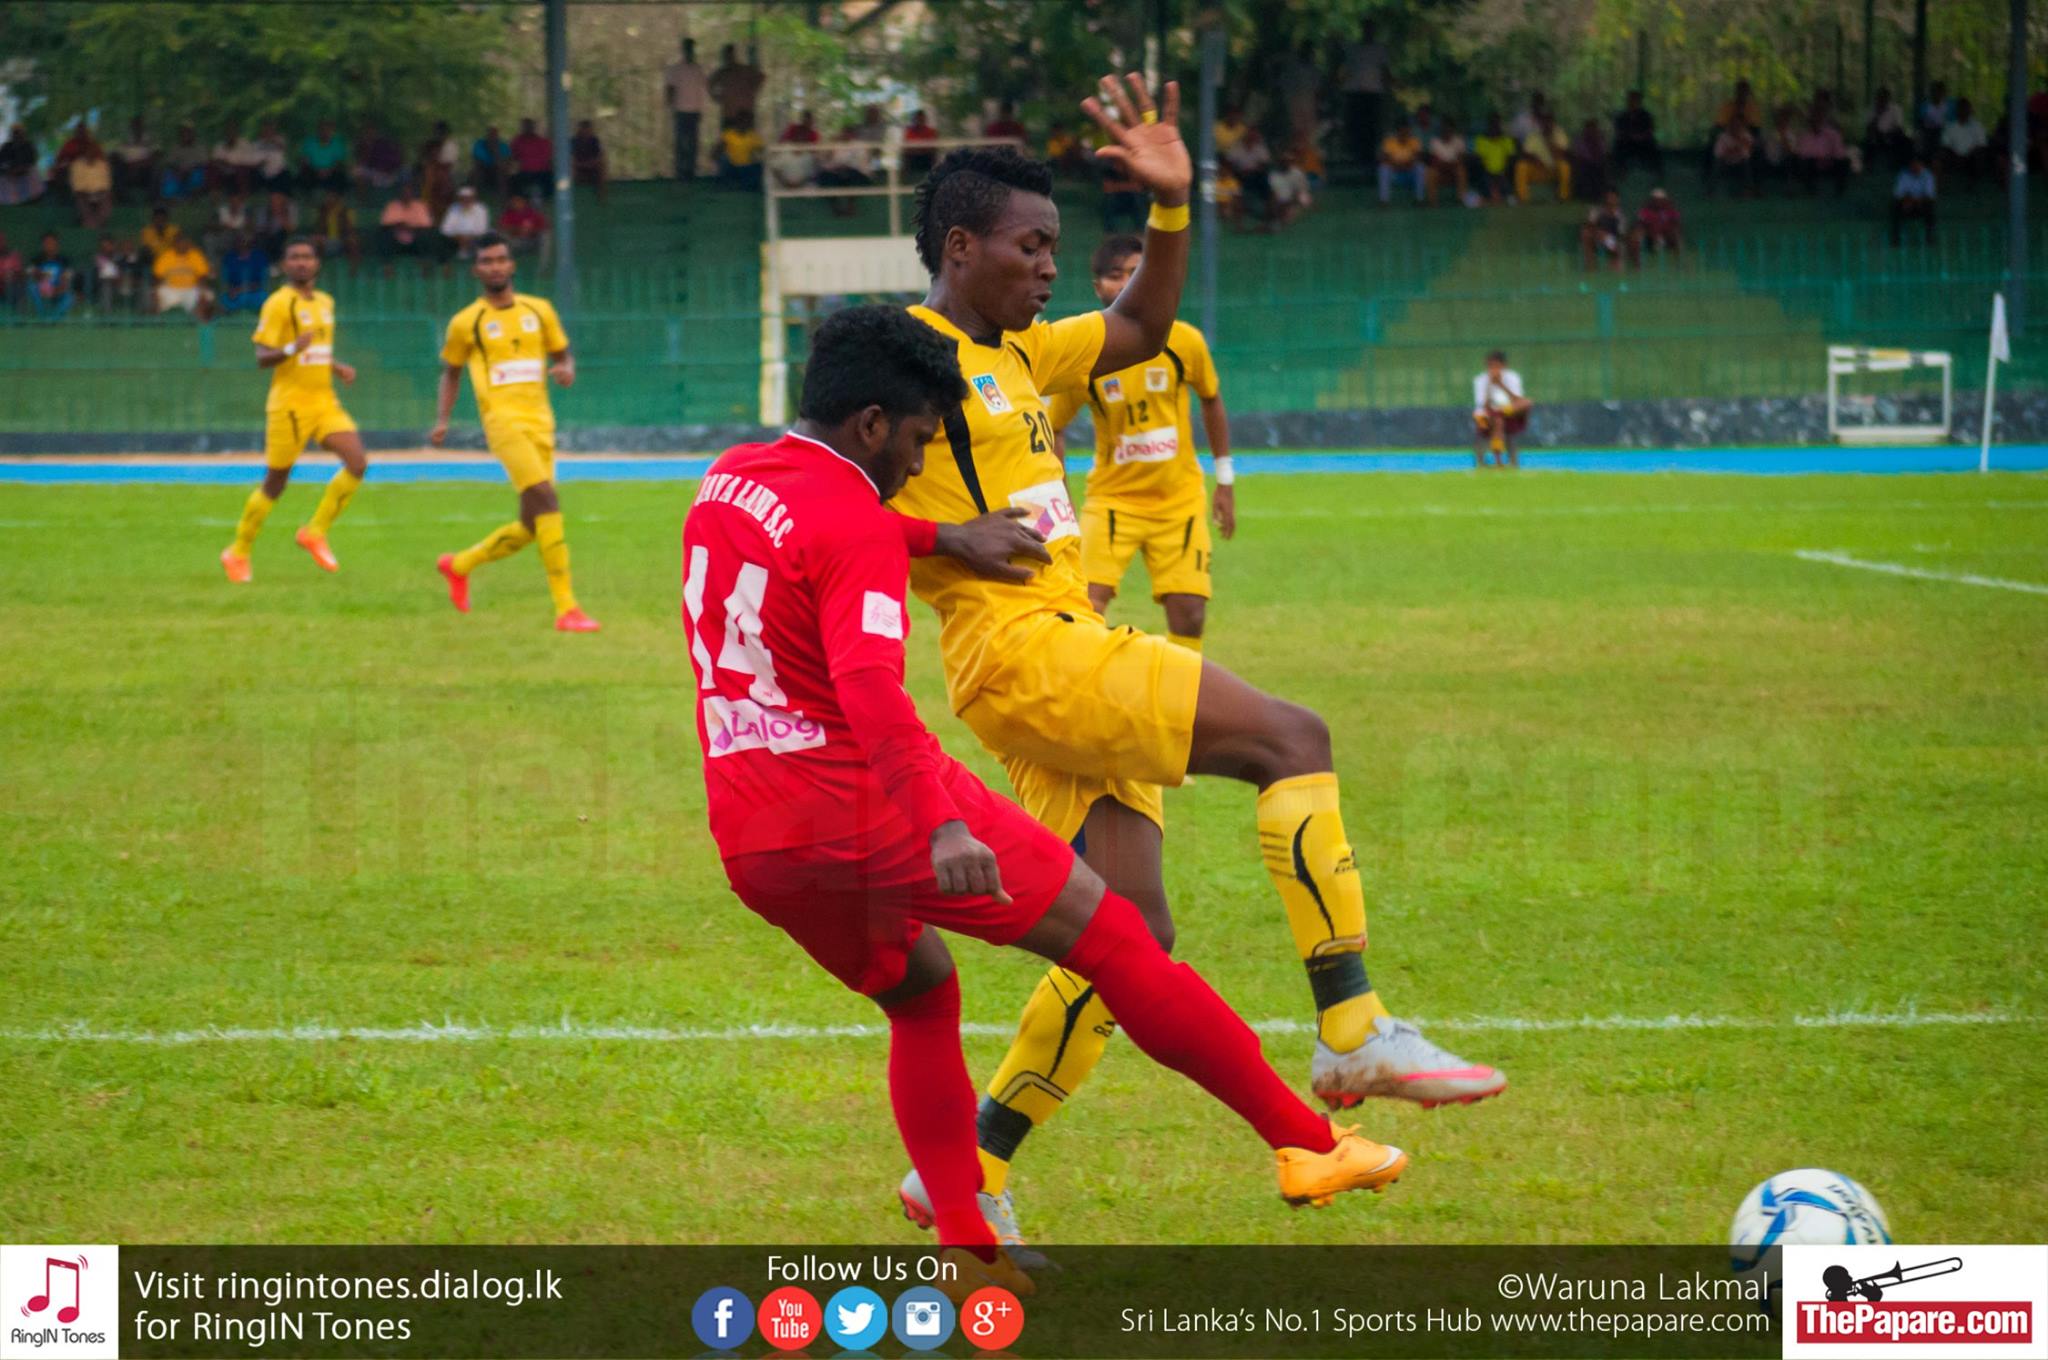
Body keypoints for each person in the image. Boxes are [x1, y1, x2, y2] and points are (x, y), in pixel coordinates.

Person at [886, 79, 1502, 1249]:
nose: (1049, 267)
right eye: (1029, 246)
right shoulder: (900, 359)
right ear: (958, 246)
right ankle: (1351, 1027)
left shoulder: (1019, 350)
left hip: (1050, 651)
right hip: (1025, 653)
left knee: (1130, 933)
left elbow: (1140, 331)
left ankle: (965, 1163)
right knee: (1292, 736)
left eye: (1056, 247)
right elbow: (816, 498)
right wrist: (940, 535)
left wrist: (1171, 211)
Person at [689, 305, 1407, 1283]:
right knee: (1115, 935)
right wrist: (941, 822)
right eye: (911, 441)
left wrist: (941, 532)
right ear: (869, 425)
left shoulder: (729, 475)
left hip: (754, 836)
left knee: (920, 989)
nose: (915, 459)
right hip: (863, 804)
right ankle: (1306, 1144)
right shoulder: (856, 523)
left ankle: (967, 1245)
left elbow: (828, 525)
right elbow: (868, 689)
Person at [1046, 235, 1233, 651]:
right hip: (1113, 502)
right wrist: (1061, 504)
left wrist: (1225, 479)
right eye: (1116, 276)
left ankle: (1182, 704)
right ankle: (1091, 698)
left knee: (1190, 612)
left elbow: (1211, 399)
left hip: (1178, 499)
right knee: (1085, 607)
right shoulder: (1086, 352)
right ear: (1098, 288)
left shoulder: (1184, 341)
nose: (1128, 283)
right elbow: (1050, 427)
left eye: (1136, 273)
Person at [431, 233, 597, 632]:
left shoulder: (539, 310)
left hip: (541, 421)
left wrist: (567, 370)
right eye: (486, 261)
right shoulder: (465, 322)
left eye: (501, 259)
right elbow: (451, 374)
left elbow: (562, 355)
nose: (495, 266)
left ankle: (459, 564)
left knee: (529, 525)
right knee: (548, 499)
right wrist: (442, 420)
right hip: (502, 423)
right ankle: (567, 608)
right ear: (476, 270)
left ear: (512, 265)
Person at [220, 237, 365, 583]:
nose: (302, 263)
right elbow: (262, 357)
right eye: (295, 258)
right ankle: (238, 551)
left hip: (324, 401)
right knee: (275, 483)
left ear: (317, 264)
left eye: (308, 257)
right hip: (289, 406)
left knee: (357, 462)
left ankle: (315, 532)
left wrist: (336, 365)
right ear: (285, 265)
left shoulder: (325, 303)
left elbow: (314, 350)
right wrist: (290, 347)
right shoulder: (278, 304)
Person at [1339, 20, 1390, 168]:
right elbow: (1345, 69)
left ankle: (1369, 158)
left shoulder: (1380, 49)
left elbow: (1385, 71)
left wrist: (1391, 85)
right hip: (1355, 92)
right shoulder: (1353, 48)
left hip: (1373, 93)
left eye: (1371, 28)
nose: (1368, 31)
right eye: (1366, 28)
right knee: (1356, 126)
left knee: (1371, 126)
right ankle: (1355, 156)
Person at [1472, 350, 1530, 468]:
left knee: (1527, 403)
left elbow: (1517, 400)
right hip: (1486, 415)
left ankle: (1505, 462)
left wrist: (1501, 385)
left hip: (1507, 412)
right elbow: (1483, 406)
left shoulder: (1512, 378)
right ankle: (1498, 462)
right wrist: (1489, 385)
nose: (1494, 369)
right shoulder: (1480, 380)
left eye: (1497, 366)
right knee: (1497, 421)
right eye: (1490, 366)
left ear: (1504, 366)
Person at [665, 38, 709, 179]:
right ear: (684, 50)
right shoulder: (675, 69)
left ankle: (691, 170)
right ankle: (680, 170)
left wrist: (702, 108)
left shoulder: (698, 69)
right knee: (681, 142)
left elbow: (703, 89)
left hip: (694, 110)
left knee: (693, 142)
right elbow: (670, 89)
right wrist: (671, 107)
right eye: (688, 48)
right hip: (681, 110)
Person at [151, 229, 213, 317]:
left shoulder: (196, 255)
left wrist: (201, 290)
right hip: (171, 288)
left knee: (207, 295)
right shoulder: (166, 256)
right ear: (174, 244)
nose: (183, 245)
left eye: (185, 243)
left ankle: (201, 323)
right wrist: (156, 290)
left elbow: (203, 276)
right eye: (180, 243)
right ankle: (156, 323)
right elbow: (157, 276)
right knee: (155, 294)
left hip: (191, 288)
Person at [1515, 111, 1571, 202]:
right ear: (1540, 123)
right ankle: (1523, 198)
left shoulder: (1559, 133)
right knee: (1521, 166)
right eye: (1544, 121)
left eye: (1549, 121)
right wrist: (1535, 159)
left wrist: (1549, 141)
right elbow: (1525, 153)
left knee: (1565, 166)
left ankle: (1563, 197)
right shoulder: (1534, 135)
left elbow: (1564, 153)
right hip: (1538, 169)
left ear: (1553, 122)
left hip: (1553, 170)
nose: (1547, 124)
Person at [1579, 188, 1638, 272]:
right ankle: (1590, 265)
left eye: (1613, 197)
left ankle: (1629, 266)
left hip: (1615, 241)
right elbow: (1589, 225)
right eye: (1609, 197)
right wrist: (1600, 233)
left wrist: (1612, 241)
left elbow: (1622, 234)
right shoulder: (1596, 211)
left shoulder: (1621, 215)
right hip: (1598, 238)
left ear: (1618, 199)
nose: (1611, 200)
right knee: (1585, 233)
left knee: (1617, 266)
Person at [1794, 109, 1849, 195]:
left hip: (1830, 160)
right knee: (1805, 163)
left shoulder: (1833, 134)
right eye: (1813, 119)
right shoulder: (1805, 135)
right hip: (1814, 162)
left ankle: (1839, 189)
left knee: (1842, 162)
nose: (1816, 122)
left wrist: (1829, 158)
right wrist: (1819, 158)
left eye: (1819, 119)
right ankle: (1810, 189)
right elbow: (1803, 153)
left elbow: (1840, 151)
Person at [378, 182, 436, 262]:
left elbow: (427, 225)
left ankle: (424, 263)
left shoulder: (420, 206)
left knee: (426, 235)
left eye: (409, 192)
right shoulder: (392, 205)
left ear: (413, 193)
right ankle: (387, 264)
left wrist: (410, 227)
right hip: (396, 240)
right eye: (404, 192)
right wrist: (398, 226)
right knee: (384, 235)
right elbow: (384, 225)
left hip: (416, 240)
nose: (406, 194)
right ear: (400, 193)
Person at [709, 44, 765, 125]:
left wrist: (752, 93)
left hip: (744, 115)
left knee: (746, 137)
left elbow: (759, 78)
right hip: (730, 114)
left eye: (728, 55)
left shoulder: (743, 70)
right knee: (728, 137)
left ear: (732, 55)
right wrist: (717, 97)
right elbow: (710, 84)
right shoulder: (722, 73)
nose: (727, 58)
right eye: (726, 56)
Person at [1940, 98, 1992, 186]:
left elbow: (1982, 144)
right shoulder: (1950, 126)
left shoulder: (1977, 126)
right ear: (1957, 110)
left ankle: (1974, 184)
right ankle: (1944, 185)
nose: (1964, 111)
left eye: (1966, 108)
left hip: (1971, 156)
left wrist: (1970, 153)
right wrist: (1956, 154)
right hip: (1954, 156)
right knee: (1941, 155)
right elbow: (1945, 145)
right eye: (1961, 108)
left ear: (1970, 110)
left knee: (1980, 155)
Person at [1612, 90, 1662, 178]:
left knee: (1653, 144)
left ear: (1639, 102)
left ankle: (1656, 171)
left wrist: (1641, 136)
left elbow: (1650, 130)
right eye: (1631, 100)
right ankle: (1621, 170)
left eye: (1635, 101)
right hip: (1627, 142)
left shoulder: (1646, 115)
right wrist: (1629, 136)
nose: (1633, 103)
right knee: (1618, 145)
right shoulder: (1622, 116)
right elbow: (1619, 131)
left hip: (1643, 142)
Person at [1890, 155, 1936, 246]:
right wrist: (1907, 201)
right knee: (1895, 207)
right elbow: (1898, 193)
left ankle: (1929, 237)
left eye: (1917, 164)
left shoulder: (1928, 175)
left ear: (1922, 165)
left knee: (1929, 207)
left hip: (1921, 204)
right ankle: (1896, 239)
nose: (1915, 167)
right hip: (1906, 204)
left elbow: (1930, 195)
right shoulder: (1903, 174)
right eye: (1913, 164)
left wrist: (1915, 201)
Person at [69, 138, 114, 230]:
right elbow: (76, 186)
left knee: (107, 199)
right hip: (83, 194)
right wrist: (86, 194)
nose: (90, 153)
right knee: (81, 202)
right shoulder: (76, 165)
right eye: (88, 150)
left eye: (92, 150)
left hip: (100, 194)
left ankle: (97, 223)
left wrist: (100, 193)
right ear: (84, 152)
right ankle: (92, 224)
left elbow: (107, 184)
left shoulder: (102, 164)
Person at [218, 233, 269, 312]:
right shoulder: (229, 258)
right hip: (234, 293)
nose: (242, 244)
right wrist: (232, 290)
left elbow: (262, 282)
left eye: (245, 241)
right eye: (239, 241)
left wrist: (240, 290)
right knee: (224, 301)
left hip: (255, 292)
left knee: (263, 298)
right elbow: (225, 281)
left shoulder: (259, 257)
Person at [1377, 118, 1424, 204]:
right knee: (1383, 168)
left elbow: (1418, 157)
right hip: (1394, 173)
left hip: (1409, 173)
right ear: (1397, 131)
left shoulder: (1414, 141)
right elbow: (1384, 158)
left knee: (1420, 167)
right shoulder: (1389, 141)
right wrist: (1396, 165)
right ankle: (1384, 201)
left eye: (1406, 130)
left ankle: (1419, 199)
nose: (1404, 133)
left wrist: (1407, 164)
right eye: (1402, 130)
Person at [1424, 115, 1470, 204]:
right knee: (1430, 172)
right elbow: (1434, 161)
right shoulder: (1434, 141)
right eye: (1443, 127)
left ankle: (1461, 200)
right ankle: (1432, 202)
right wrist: (1447, 165)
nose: (1446, 130)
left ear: (1452, 128)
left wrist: (1450, 165)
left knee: (1461, 170)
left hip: (1454, 170)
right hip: (1439, 170)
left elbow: (1460, 159)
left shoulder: (1459, 141)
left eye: (1448, 127)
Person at [29, 233, 74, 320]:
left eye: (51, 243)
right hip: (41, 290)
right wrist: (42, 285)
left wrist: (58, 289)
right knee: (31, 287)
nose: (49, 246)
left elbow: (68, 276)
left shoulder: (65, 260)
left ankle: (52, 319)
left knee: (70, 298)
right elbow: (30, 273)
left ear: (57, 245)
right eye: (46, 243)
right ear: (43, 245)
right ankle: (42, 316)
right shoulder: (35, 259)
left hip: (58, 289)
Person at [1864, 87, 1911, 170]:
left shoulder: (1896, 109)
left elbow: (1899, 127)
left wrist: (1889, 134)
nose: (1882, 100)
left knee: (1905, 139)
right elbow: (1869, 127)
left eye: (1884, 98)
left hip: (1891, 135)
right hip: (1877, 136)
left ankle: (1901, 164)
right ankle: (1869, 165)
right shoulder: (1871, 110)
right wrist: (1877, 115)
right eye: (1880, 98)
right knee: (1869, 139)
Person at [1472, 113, 1516, 203]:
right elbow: (1478, 160)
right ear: (1489, 125)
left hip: (1504, 173)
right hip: (1486, 174)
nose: (1495, 126)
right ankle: (1488, 198)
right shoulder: (1481, 140)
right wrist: (1490, 173)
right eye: (1493, 123)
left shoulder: (1507, 140)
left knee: (1507, 187)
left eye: (1497, 123)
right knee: (1485, 179)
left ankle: (1506, 198)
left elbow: (1511, 159)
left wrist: (1502, 172)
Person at [1265, 147, 1313, 227]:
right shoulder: (1273, 175)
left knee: (1303, 201)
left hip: (1295, 200)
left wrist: (1293, 201)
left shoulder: (1297, 173)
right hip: (1280, 201)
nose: (1285, 163)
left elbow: (1301, 191)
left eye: (1287, 161)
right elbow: (1273, 192)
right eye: (1283, 161)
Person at [112, 116, 158, 200]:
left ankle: (152, 197)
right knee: (117, 168)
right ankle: (122, 197)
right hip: (127, 170)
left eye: (139, 126)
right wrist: (128, 165)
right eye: (134, 126)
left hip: (144, 172)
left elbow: (154, 157)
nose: (137, 128)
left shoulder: (149, 141)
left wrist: (137, 165)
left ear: (142, 128)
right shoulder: (126, 141)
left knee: (154, 169)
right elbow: (117, 154)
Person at [440, 185, 491, 259]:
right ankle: (462, 251)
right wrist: (458, 236)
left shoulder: (481, 209)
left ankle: (472, 251)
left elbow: (482, 229)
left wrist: (469, 236)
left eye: (469, 198)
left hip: (476, 238)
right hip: (456, 238)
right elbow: (445, 228)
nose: (466, 200)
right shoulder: (453, 208)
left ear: (474, 198)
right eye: (463, 198)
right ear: (459, 199)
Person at [300, 120, 349, 194]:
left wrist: (328, 171)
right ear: (318, 131)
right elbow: (305, 160)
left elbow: (338, 162)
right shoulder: (309, 142)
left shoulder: (338, 143)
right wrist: (317, 171)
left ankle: (336, 199)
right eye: (322, 129)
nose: (325, 132)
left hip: (331, 171)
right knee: (304, 175)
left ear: (332, 131)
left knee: (341, 177)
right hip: (313, 170)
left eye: (328, 130)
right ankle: (308, 199)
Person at [717, 112, 764, 190]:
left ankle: (743, 185)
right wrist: (717, 158)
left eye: (747, 122)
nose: (744, 124)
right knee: (723, 159)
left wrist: (758, 156)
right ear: (737, 122)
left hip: (746, 167)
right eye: (742, 121)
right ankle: (727, 183)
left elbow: (761, 149)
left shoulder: (753, 136)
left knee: (759, 166)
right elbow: (718, 149)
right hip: (732, 166)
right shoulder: (728, 134)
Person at [311, 189, 360, 263]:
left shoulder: (345, 211)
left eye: (332, 197)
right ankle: (317, 265)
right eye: (328, 197)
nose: (330, 200)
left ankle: (354, 268)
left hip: (341, 240)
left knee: (352, 241)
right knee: (316, 241)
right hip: (326, 240)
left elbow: (350, 229)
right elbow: (318, 229)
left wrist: (342, 216)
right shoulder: (322, 211)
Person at [159, 123, 207, 199]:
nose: (186, 135)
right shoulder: (176, 148)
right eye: (184, 133)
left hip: (193, 171)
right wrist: (178, 170)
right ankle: (171, 195)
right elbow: (169, 163)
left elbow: (204, 163)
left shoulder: (199, 148)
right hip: (178, 172)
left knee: (198, 174)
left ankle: (193, 195)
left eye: (189, 132)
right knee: (167, 174)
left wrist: (190, 169)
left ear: (193, 134)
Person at [1636, 186, 1683, 261]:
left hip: (1667, 235)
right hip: (1649, 237)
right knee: (1638, 236)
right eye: (1656, 199)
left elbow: (1676, 221)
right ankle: (1639, 261)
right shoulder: (1646, 210)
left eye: (1660, 199)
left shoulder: (1670, 210)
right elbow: (1641, 222)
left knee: (1676, 236)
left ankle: (1678, 261)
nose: (1658, 202)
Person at [510, 118, 553, 200]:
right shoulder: (517, 141)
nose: (528, 128)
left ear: (533, 127)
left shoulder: (543, 141)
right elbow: (512, 157)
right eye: (525, 126)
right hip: (524, 172)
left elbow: (548, 158)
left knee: (549, 181)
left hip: (542, 172)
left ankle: (543, 198)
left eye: (530, 126)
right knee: (513, 181)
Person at [1568, 118, 1609, 201]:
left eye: (1593, 128)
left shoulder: (1600, 139)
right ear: (1585, 129)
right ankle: (1586, 195)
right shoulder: (1579, 140)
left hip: (1597, 163)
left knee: (1601, 168)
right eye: (1589, 128)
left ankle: (1599, 194)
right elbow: (1576, 154)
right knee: (1586, 169)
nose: (1591, 131)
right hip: (1583, 163)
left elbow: (1603, 152)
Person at [356, 123, 407, 190]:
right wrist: (367, 148)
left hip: (389, 173)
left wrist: (388, 170)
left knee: (405, 172)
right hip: (374, 173)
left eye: (372, 132)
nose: (370, 134)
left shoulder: (383, 143)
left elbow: (395, 159)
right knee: (358, 171)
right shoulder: (363, 145)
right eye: (367, 133)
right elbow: (364, 163)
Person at [571, 120, 607, 201]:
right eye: (584, 129)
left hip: (592, 167)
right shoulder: (574, 141)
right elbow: (571, 158)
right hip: (577, 168)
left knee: (602, 167)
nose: (586, 131)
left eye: (588, 129)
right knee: (571, 168)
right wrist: (581, 164)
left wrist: (591, 163)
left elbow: (599, 156)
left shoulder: (594, 141)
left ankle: (602, 194)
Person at [472, 125, 511, 196]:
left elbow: (505, 164)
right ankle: (475, 196)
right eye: (490, 134)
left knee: (502, 174)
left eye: (494, 134)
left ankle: (502, 198)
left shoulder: (503, 146)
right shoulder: (479, 144)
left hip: (498, 169)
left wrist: (495, 151)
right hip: (483, 169)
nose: (492, 136)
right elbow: (477, 161)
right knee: (476, 173)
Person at [903, 109, 940, 174]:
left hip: (926, 157)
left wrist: (921, 149)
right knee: (906, 156)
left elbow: (933, 147)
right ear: (914, 119)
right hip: (913, 157)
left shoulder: (930, 131)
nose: (919, 120)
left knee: (932, 156)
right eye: (918, 118)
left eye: (921, 118)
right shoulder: (909, 131)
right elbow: (907, 147)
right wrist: (918, 150)